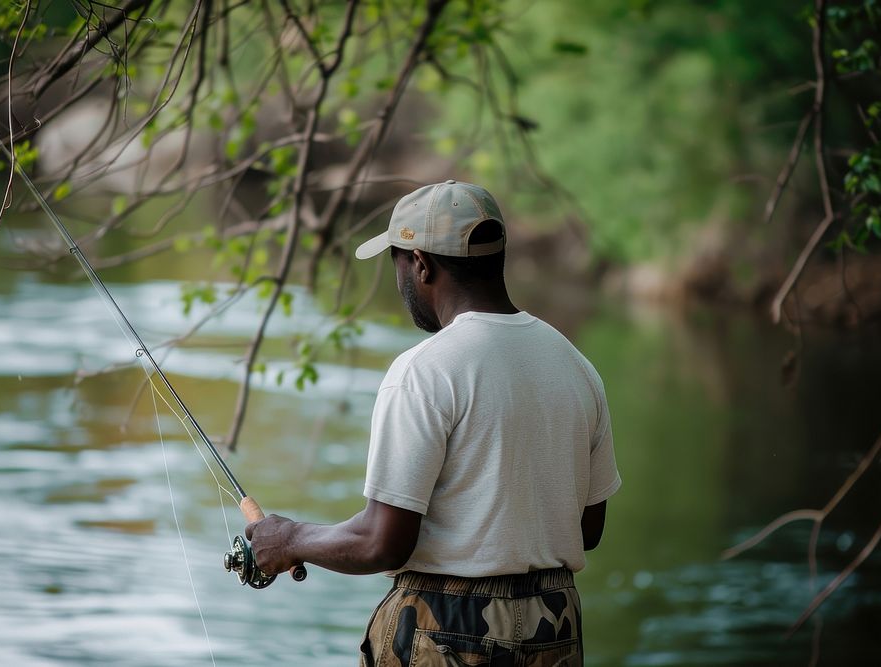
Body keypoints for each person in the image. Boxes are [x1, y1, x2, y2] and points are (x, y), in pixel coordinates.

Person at [245, 180, 621, 666]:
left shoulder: (424, 370)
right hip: (557, 628)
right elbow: (587, 528)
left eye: (398, 262)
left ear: (421, 263)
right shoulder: (576, 367)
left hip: (450, 631)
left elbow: (383, 543)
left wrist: (291, 539)